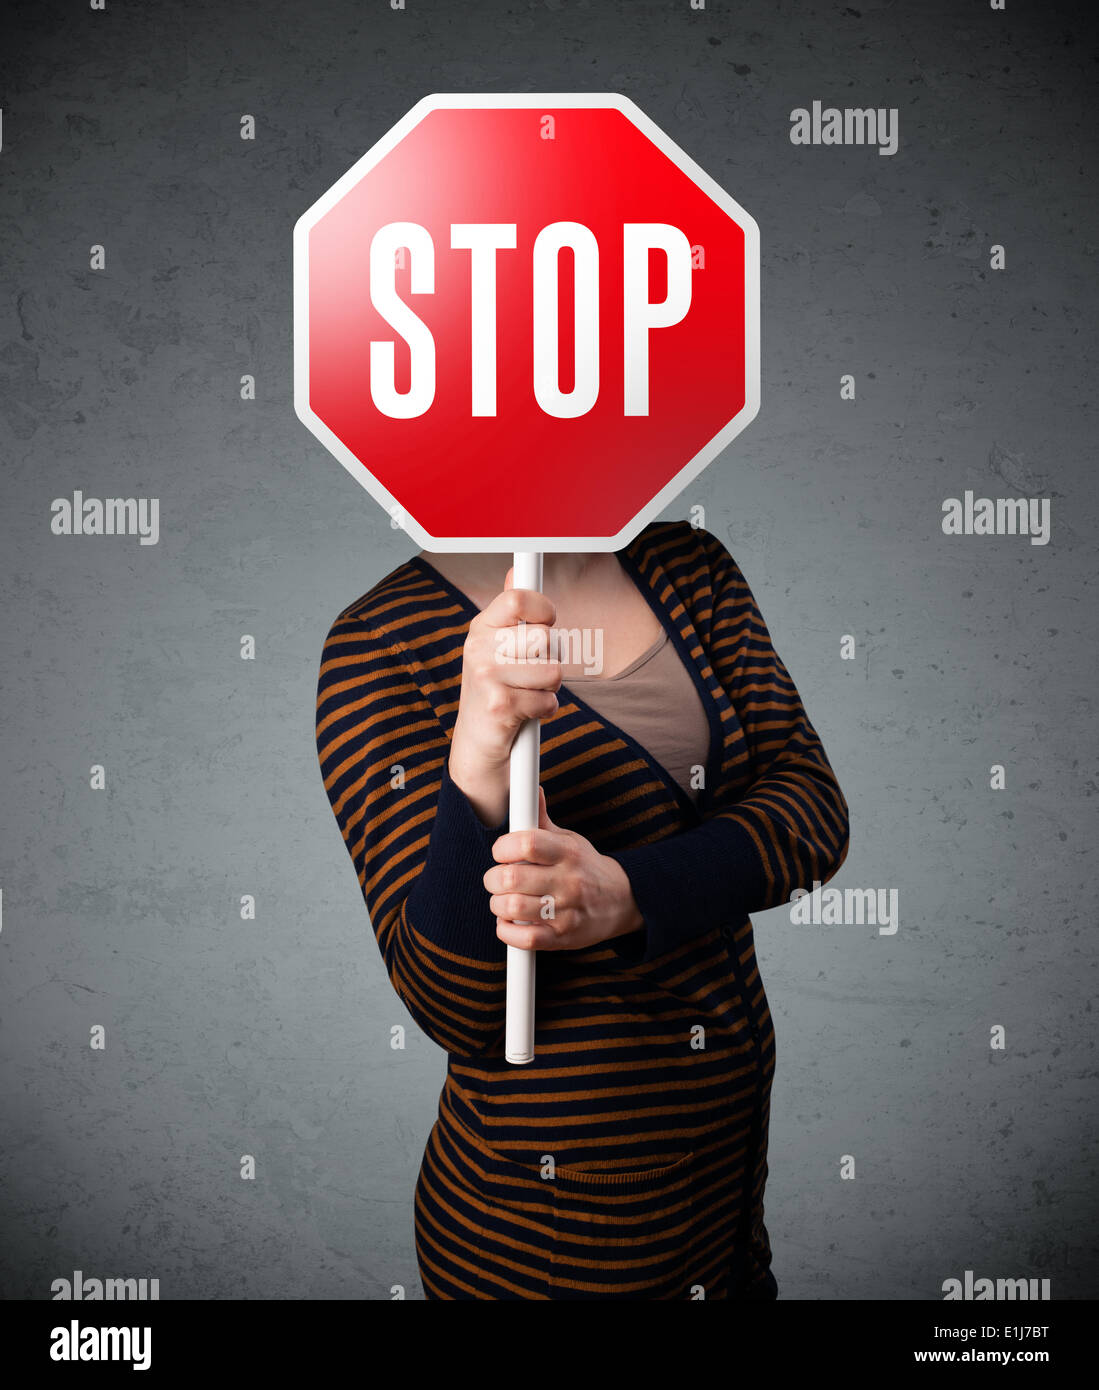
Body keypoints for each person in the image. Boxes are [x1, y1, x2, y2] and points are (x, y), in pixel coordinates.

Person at [315, 519, 850, 1300]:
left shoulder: (688, 567)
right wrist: (478, 763)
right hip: (556, 1227)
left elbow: (811, 812)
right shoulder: (379, 643)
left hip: (725, 1193)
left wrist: (625, 895)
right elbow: (454, 1006)